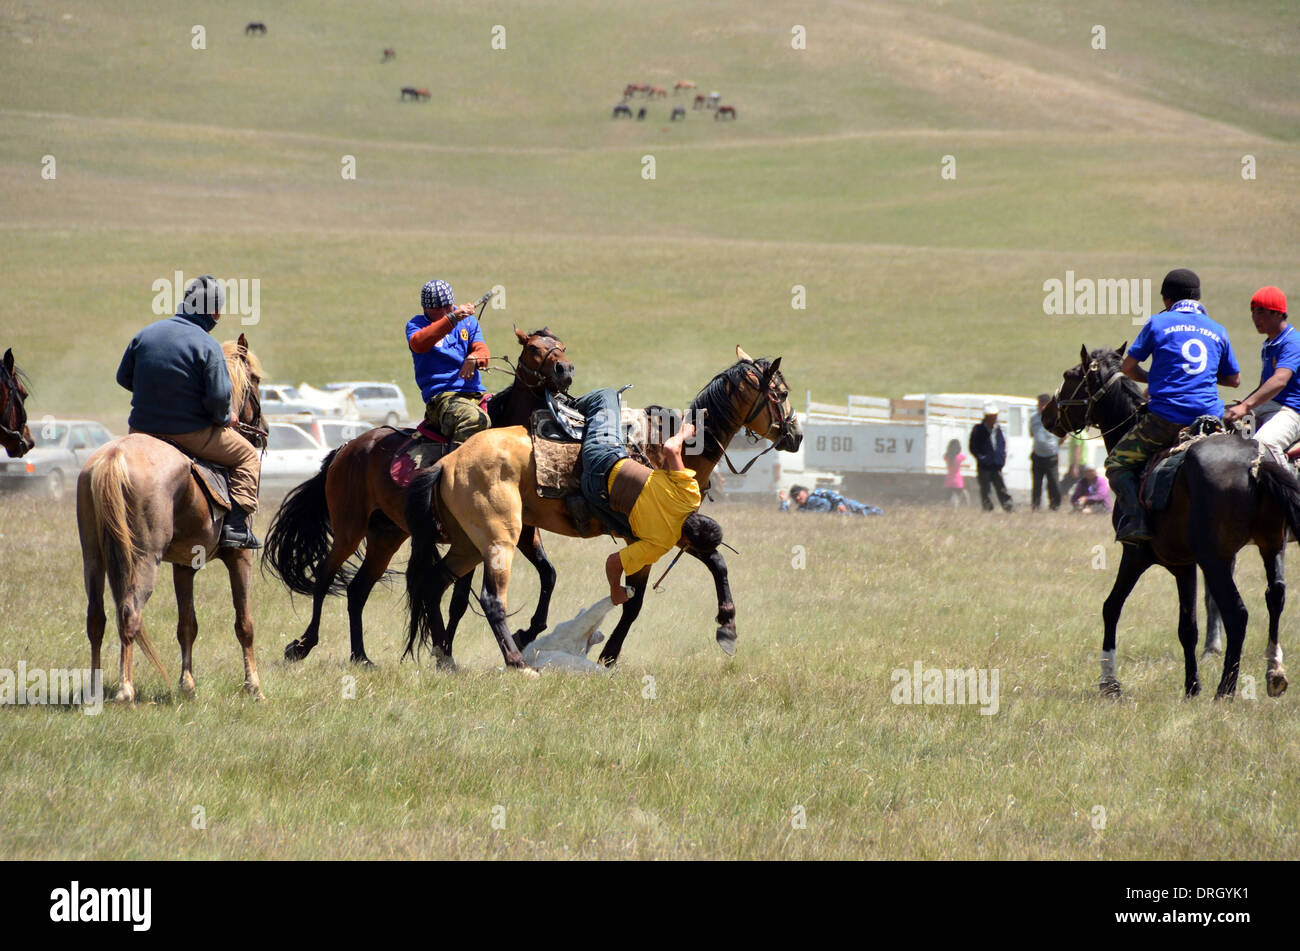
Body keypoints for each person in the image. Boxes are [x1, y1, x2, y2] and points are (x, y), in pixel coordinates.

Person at [116, 275, 262, 549]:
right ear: (213, 311)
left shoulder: (145, 334)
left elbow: (124, 378)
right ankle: (235, 528)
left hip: (140, 431)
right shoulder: (208, 346)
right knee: (248, 456)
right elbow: (219, 400)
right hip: (188, 434)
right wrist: (225, 417)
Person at [1107, 268, 1240, 544]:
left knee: (1117, 462)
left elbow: (1128, 368)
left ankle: (1136, 521)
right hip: (1209, 420)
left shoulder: (1158, 323)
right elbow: (1234, 380)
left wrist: (1153, 378)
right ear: (1198, 298)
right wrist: (1198, 377)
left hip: (1166, 418)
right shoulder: (1217, 330)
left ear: (1167, 300)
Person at [567, 388, 721, 606]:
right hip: (594, 491)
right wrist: (614, 589)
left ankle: (561, 409)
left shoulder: (691, 496)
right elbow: (613, 562)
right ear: (686, 542)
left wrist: (685, 432)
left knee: (607, 396)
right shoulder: (661, 546)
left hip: (603, 457)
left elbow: (670, 448)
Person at [406, 279, 490, 446]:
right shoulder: (415, 325)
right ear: (426, 309)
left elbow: (482, 350)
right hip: (441, 399)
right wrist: (452, 318)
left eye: (448, 306)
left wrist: (474, 357)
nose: (445, 311)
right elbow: (419, 344)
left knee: (509, 408)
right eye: (438, 309)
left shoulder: (469, 322)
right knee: (474, 419)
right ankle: (455, 468)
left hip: (475, 394)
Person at [1223, 286, 1296, 464]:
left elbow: (1279, 380)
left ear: (1279, 313)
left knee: (1264, 445)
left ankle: (1288, 490)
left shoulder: (1292, 343)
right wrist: (1240, 406)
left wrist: (1245, 407)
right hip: (1267, 406)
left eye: (1261, 312)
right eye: (1253, 312)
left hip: (1292, 410)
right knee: (1232, 431)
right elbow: (1264, 385)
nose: (1255, 318)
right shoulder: (1269, 344)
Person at [969, 402, 1013, 512]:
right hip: (984, 466)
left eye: (995, 416)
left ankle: (1009, 508)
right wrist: (982, 458)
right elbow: (973, 447)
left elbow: (1002, 445)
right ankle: (988, 509)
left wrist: (1001, 458)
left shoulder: (998, 430)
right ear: (987, 417)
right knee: (985, 490)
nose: (994, 418)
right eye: (992, 416)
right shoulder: (978, 429)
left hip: (996, 465)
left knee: (1001, 489)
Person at [1029, 393, 1061, 511]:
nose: (1040, 406)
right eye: (1039, 403)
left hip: (1051, 456)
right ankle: (1035, 506)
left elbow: (1063, 436)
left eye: (1042, 403)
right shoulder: (1033, 417)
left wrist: (1054, 446)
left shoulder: (1055, 417)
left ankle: (1055, 506)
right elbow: (1032, 433)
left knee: (1053, 483)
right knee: (1036, 483)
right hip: (1037, 455)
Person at [779, 484, 883, 515]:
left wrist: (839, 503)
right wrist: (784, 502)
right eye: (794, 497)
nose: (797, 498)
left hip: (844, 505)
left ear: (805, 492)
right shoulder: (801, 511)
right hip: (838, 515)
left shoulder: (818, 492)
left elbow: (831, 494)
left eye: (798, 494)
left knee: (875, 512)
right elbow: (785, 517)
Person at [944, 438, 969, 508]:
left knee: (948, 497)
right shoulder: (960, 457)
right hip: (958, 481)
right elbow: (964, 457)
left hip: (948, 480)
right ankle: (964, 506)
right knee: (961, 494)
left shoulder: (947, 456)